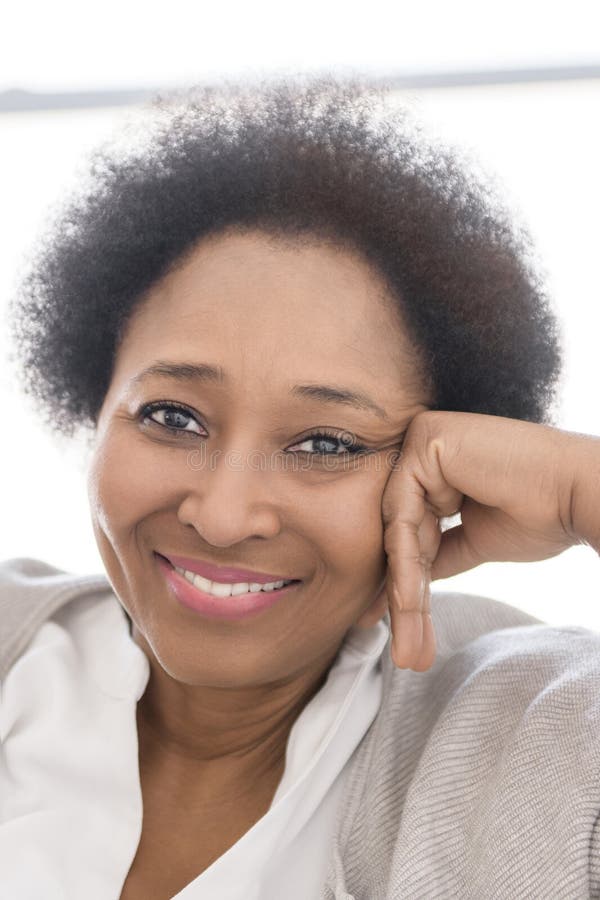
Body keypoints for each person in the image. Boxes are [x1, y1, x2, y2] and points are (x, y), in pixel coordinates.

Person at [1, 74, 599, 899]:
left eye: (327, 441)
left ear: (446, 469)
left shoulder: (541, 732)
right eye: (173, 418)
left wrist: (581, 490)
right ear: (93, 408)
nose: (222, 515)